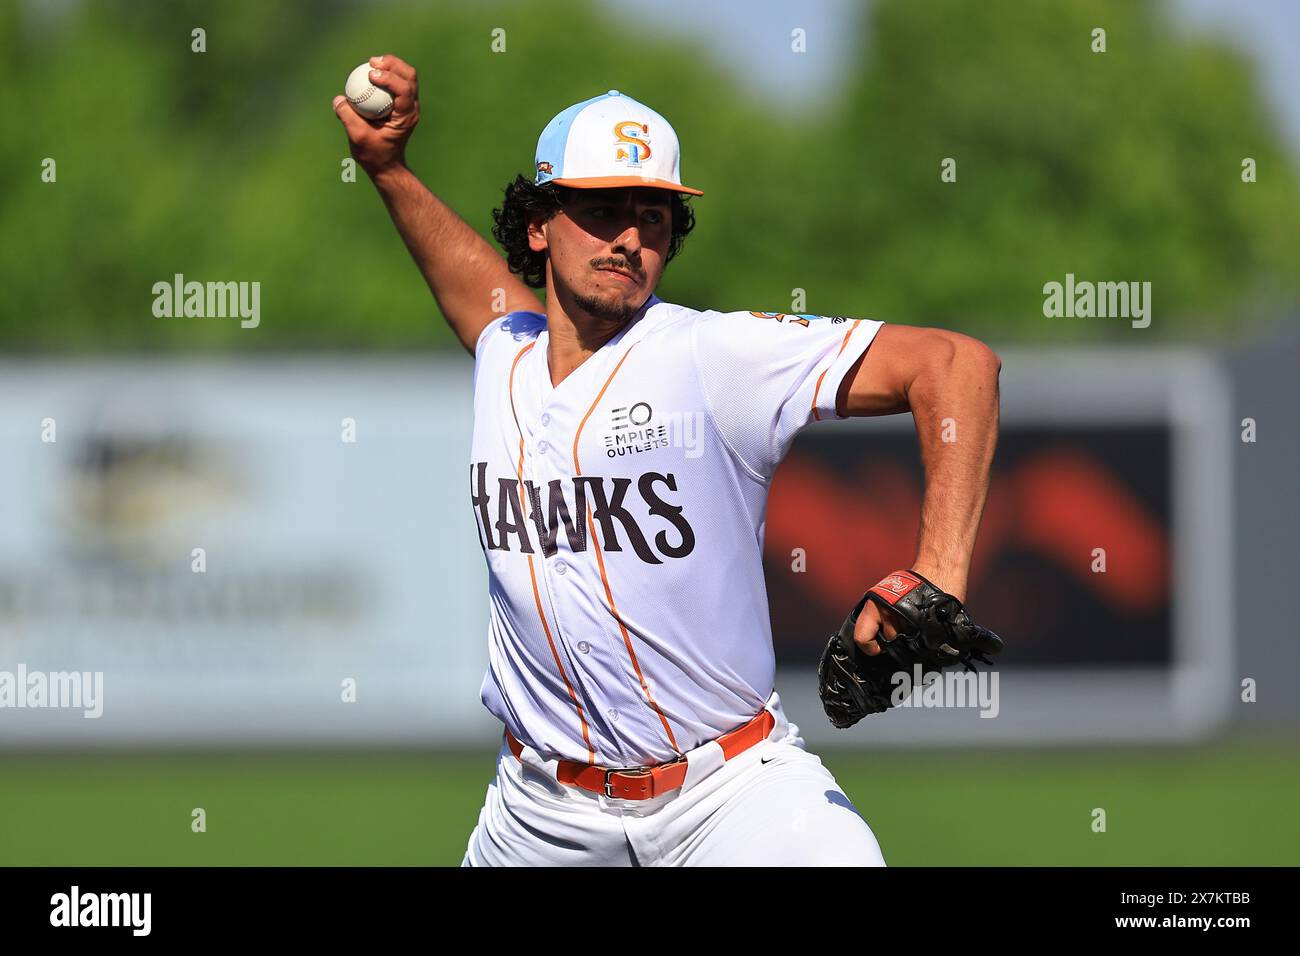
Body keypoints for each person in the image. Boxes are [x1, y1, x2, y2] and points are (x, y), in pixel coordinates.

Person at [333, 56, 1001, 867]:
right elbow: (473, 280)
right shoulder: (506, 352)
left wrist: (939, 569)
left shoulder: (714, 355)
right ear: (539, 224)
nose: (628, 237)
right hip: (541, 815)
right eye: (601, 208)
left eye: (653, 216)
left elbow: (956, 364)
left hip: (731, 796)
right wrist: (389, 169)